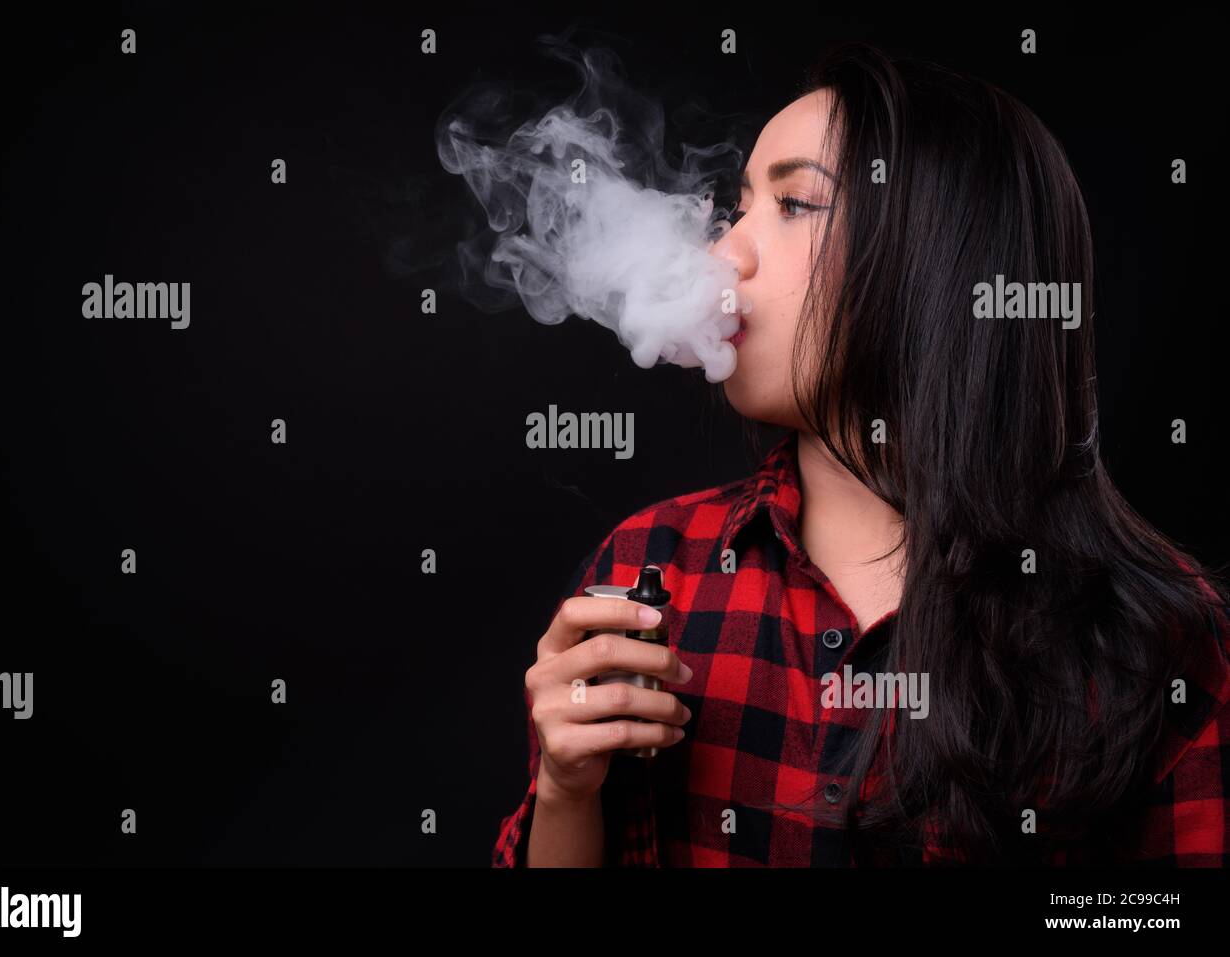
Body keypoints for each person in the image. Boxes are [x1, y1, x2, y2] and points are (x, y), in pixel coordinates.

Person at [493, 41, 1230, 867]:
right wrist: (566, 790)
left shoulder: (1152, 631)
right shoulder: (651, 568)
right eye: (739, 210)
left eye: (796, 204)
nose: (724, 254)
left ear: (941, 259)